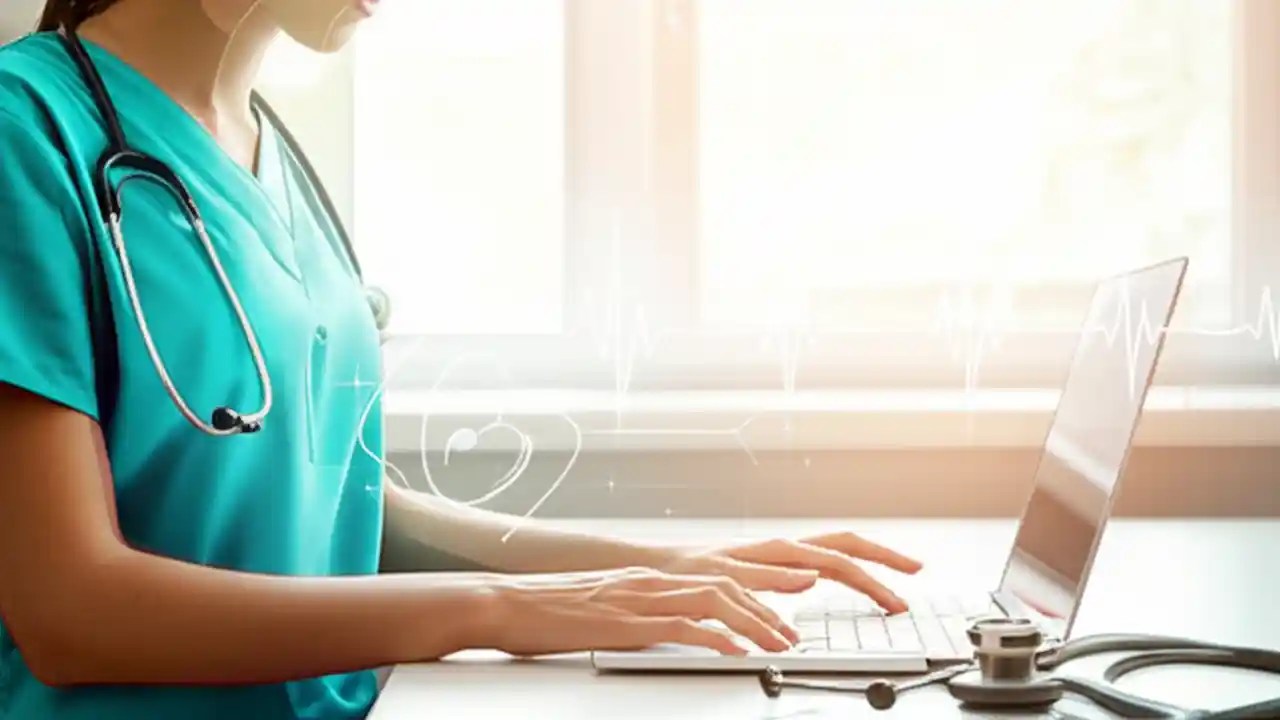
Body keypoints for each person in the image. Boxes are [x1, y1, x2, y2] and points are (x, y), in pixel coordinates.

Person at [0, 1, 923, 718]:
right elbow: (71, 612)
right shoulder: (26, 134)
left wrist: (665, 569)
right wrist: (491, 611)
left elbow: (353, 513)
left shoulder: (263, 147)